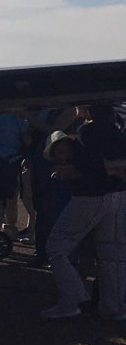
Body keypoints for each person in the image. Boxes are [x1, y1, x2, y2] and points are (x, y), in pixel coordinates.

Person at [43, 104, 126, 320]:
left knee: (56, 247)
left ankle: (73, 299)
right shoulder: (117, 130)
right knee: (112, 254)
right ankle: (115, 306)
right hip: (118, 194)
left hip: (90, 195)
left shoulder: (86, 131)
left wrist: (70, 171)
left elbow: (91, 167)